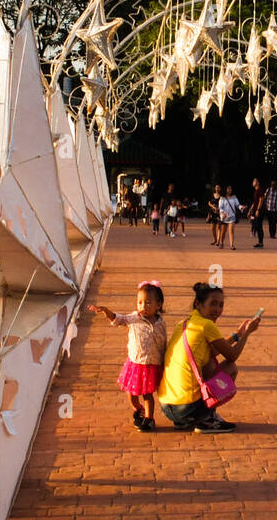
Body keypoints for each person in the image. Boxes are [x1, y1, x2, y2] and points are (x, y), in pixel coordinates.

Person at [157, 282, 262, 433]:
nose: (217, 310)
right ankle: (206, 419)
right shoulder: (207, 325)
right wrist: (247, 333)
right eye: (213, 304)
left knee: (208, 364)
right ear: (198, 304)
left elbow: (210, 351)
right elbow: (232, 355)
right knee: (229, 368)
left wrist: (236, 336)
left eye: (220, 305)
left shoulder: (185, 323)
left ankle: (188, 421)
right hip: (187, 408)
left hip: (167, 407)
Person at [89, 281, 167, 432]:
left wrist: (164, 361)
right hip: (135, 363)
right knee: (131, 393)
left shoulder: (160, 323)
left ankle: (149, 419)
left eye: (148, 303)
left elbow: (163, 343)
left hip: (151, 364)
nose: (143, 306)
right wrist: (106, 311)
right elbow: (118, 319)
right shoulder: (134, 318)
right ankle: (138, 409)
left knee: (147, 394)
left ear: (158, 305)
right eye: (140, 302)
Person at [218, 185, 241, 249]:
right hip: (224, 217)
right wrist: (222, 212)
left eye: (230, 188)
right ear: (225, 189)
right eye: (228, 188)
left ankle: (231, 245)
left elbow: (238, 205)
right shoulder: (222, 198)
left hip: (232, 217)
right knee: (223, 232)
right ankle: (221, 243)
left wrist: (241, 207)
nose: (230, 190)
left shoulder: (234, 197)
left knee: (231, 231)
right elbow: (220, 207)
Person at [248, 177, 265, 248]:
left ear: (258, 183)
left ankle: (261, 243)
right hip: (255, 210)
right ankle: (260, 242)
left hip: (259, 211)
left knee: (259, 226)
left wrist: (258, 210)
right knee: (256, 225)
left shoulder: (260, 190)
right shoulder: (256, 191)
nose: (253, 182)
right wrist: (250, 210)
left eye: (254, 181)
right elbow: (254, 202)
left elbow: (261, 200)